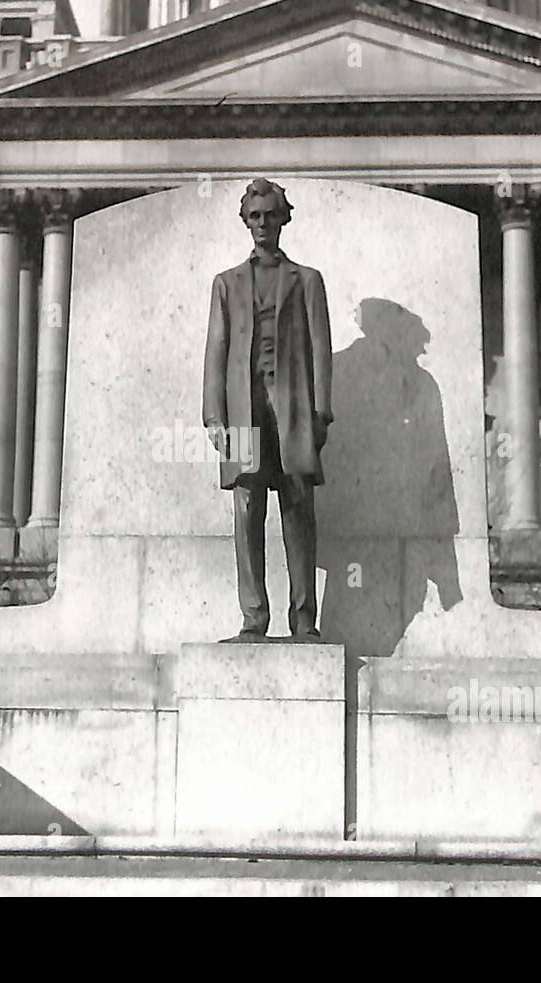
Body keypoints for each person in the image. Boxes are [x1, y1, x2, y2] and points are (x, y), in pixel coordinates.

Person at [202, 178, 334, 644]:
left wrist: (322, 415)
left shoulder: (308, 281)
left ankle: (304, 622)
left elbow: (321, 348)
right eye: (254, 216)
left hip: (293, 406)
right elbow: (216, 349)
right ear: (245, 221)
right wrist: (213, 417)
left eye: (270, 215)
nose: (262, 224)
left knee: (298, 507)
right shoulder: (226, 283)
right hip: (244, 407)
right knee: (247, 507)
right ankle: (253, 618)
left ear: (284, 219)